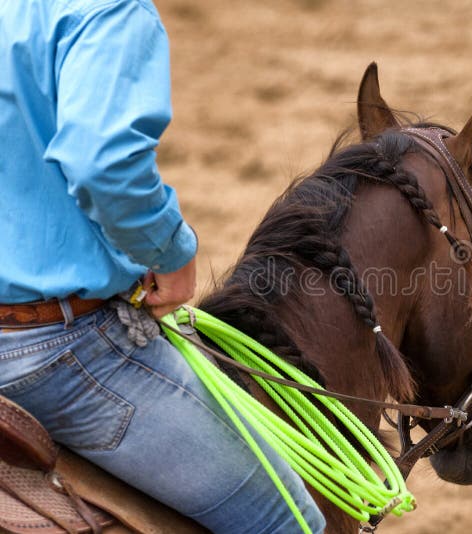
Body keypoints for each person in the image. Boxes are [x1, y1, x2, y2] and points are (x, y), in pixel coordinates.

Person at [0, 1, 325, 532]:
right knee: (287, 521)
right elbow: (104, 164)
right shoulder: (109, 10)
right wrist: (168, 252)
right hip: (54, 351)